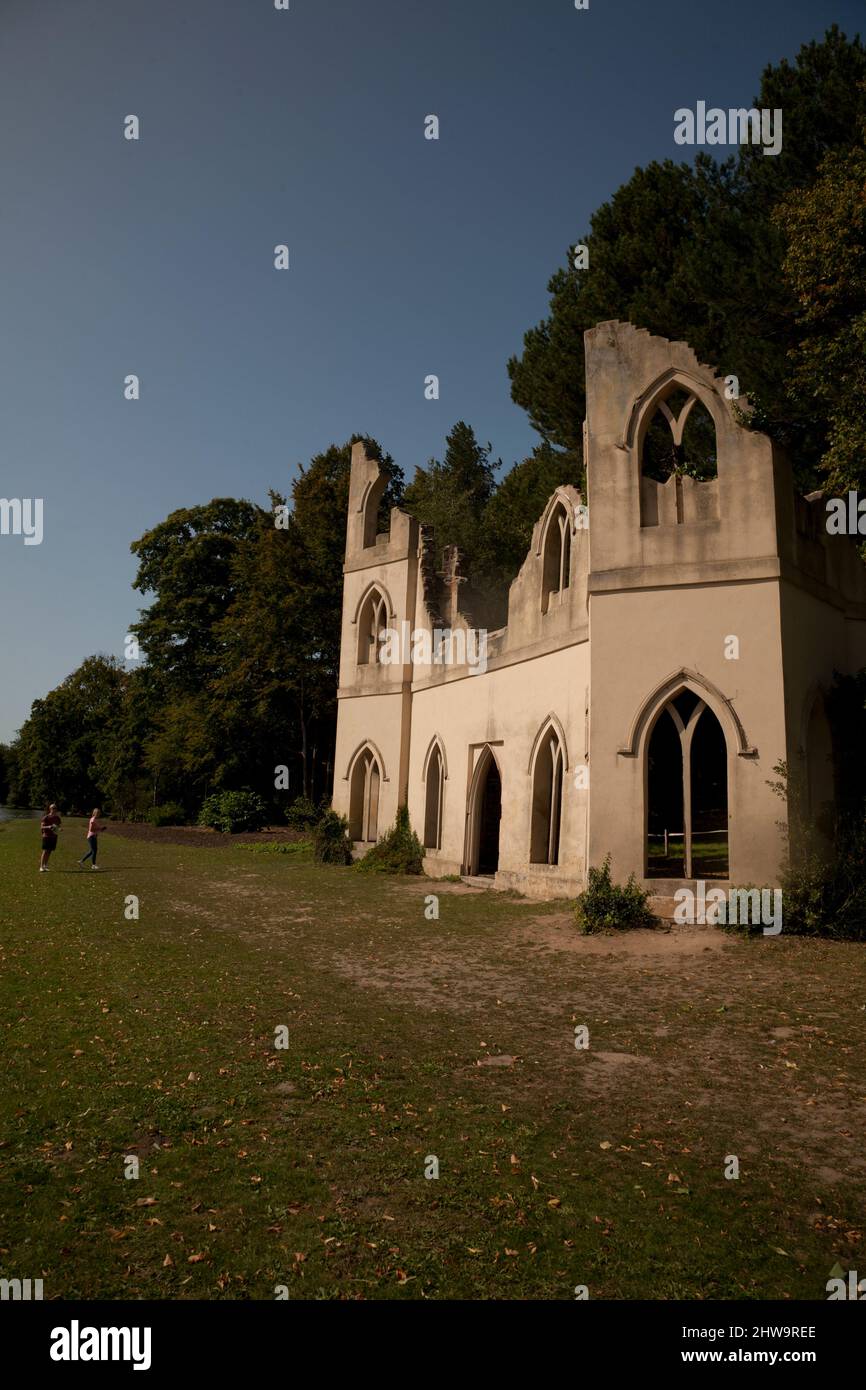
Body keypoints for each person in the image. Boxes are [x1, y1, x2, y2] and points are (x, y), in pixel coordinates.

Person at [39, 803, 61, 872]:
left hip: (54, 836)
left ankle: (45, 866)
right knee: (45, 851)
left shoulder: (57, 818)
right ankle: (41, 867)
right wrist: (48, 827)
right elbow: (41, 827)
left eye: (55, 808)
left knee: (49, 851)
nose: (54, 810)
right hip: (47, 836)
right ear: (50, 809)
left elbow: (58, 826)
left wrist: (59, 829)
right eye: (53, 808)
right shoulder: (46, 817)